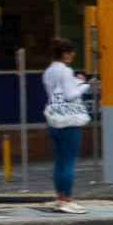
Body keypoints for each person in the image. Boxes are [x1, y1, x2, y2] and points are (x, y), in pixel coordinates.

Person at [39, 38, 91, 214]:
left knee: (59, 162)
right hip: (69, 123)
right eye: (71, 54)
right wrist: (84, 86)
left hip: (54, 121)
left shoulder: (48, 72)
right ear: (65, 54)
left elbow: (57, 93)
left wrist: (75, 82)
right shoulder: (66, 71)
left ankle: (60, 197)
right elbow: (69, 96)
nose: (72, 57)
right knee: (69, 162)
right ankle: (68, 199)